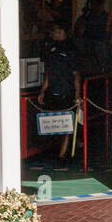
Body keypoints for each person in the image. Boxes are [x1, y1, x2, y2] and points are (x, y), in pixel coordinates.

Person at [39, 22, 80, 157]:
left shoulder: (71, 49)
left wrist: (77, 95)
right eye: (52, 32)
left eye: (56, 31)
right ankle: (56, 152)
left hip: (66, 91)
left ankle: (62, 154)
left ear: (62, 31)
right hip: (53, 90)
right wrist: (43, 91)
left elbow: (76, 74)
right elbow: (48, 73)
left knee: (66, 124)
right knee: (54, 121)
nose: (54, 34)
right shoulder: (51, 48)